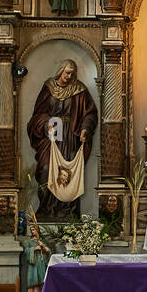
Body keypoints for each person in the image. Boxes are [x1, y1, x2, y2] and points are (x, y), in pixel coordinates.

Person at [26, 60, 97, 221]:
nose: (69, 76)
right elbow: (37, 114)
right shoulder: (49, 87)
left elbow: (90, 113)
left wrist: (86, 128)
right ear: (60, 71)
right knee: (45, 170)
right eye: (67, 72)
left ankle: (68, 212)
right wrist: (46, 125)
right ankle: (46, 210)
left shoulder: (79, 90)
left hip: (70, 137)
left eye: (72, 73)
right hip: (52, 137)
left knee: (69, 173)